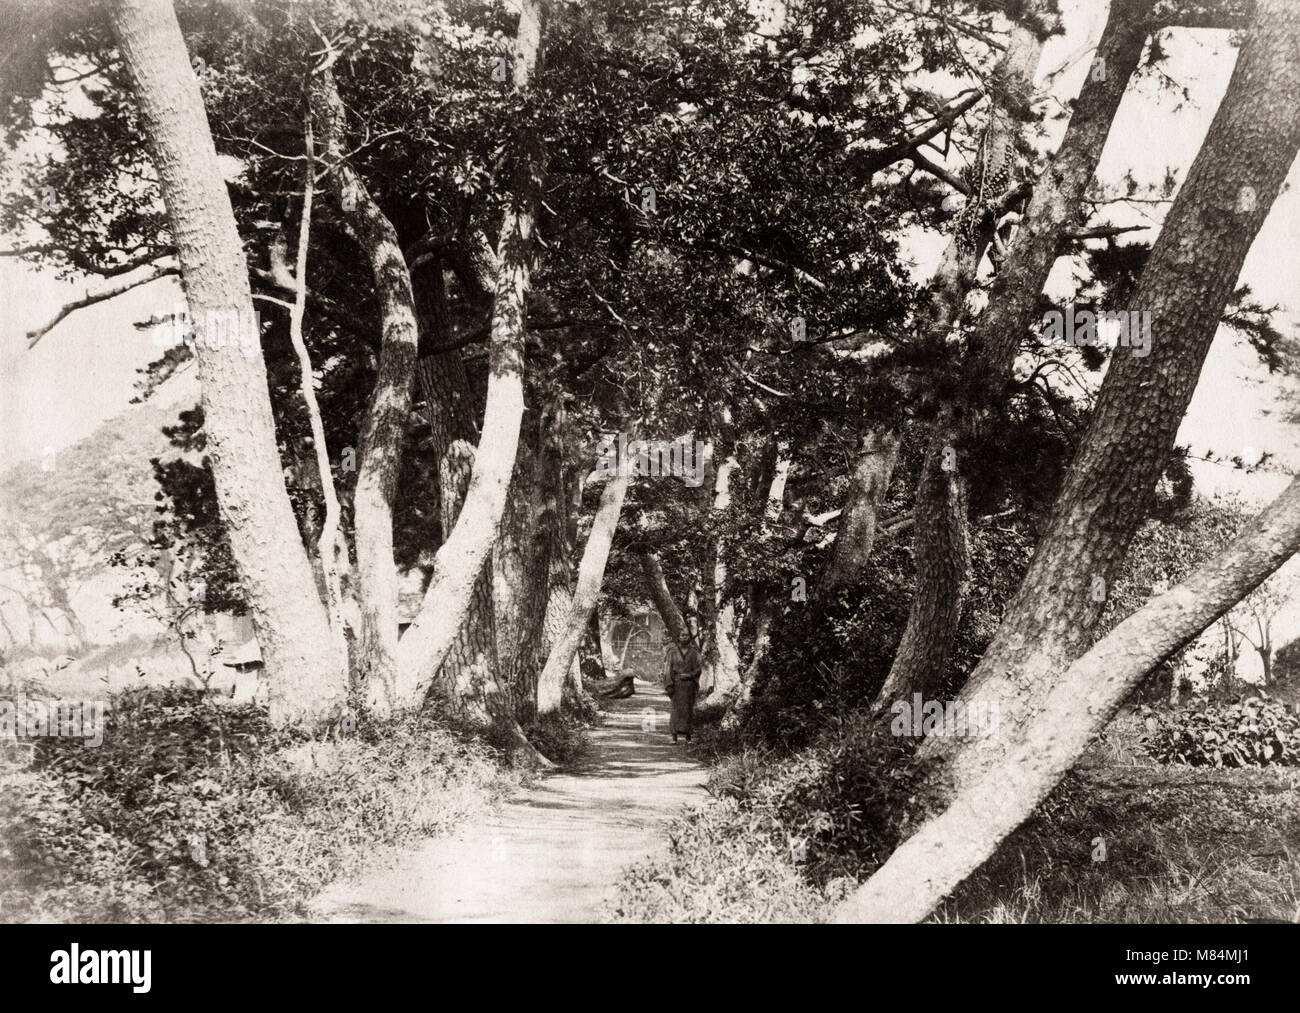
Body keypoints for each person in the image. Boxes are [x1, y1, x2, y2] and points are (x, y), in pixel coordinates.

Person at [662, 634, 703, 743]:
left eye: (686, 636)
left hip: (689, 685)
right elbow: (668, 669)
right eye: (682, 635)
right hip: (677, 684)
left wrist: (690, 675)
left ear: (689, 638)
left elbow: (699, 668)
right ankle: (674, 737)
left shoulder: (694, 653)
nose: (684, 637)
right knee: (676, 710)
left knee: (688, 710)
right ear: (678, 637)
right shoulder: (672, 652)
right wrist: (669, 685)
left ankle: (688, 737)